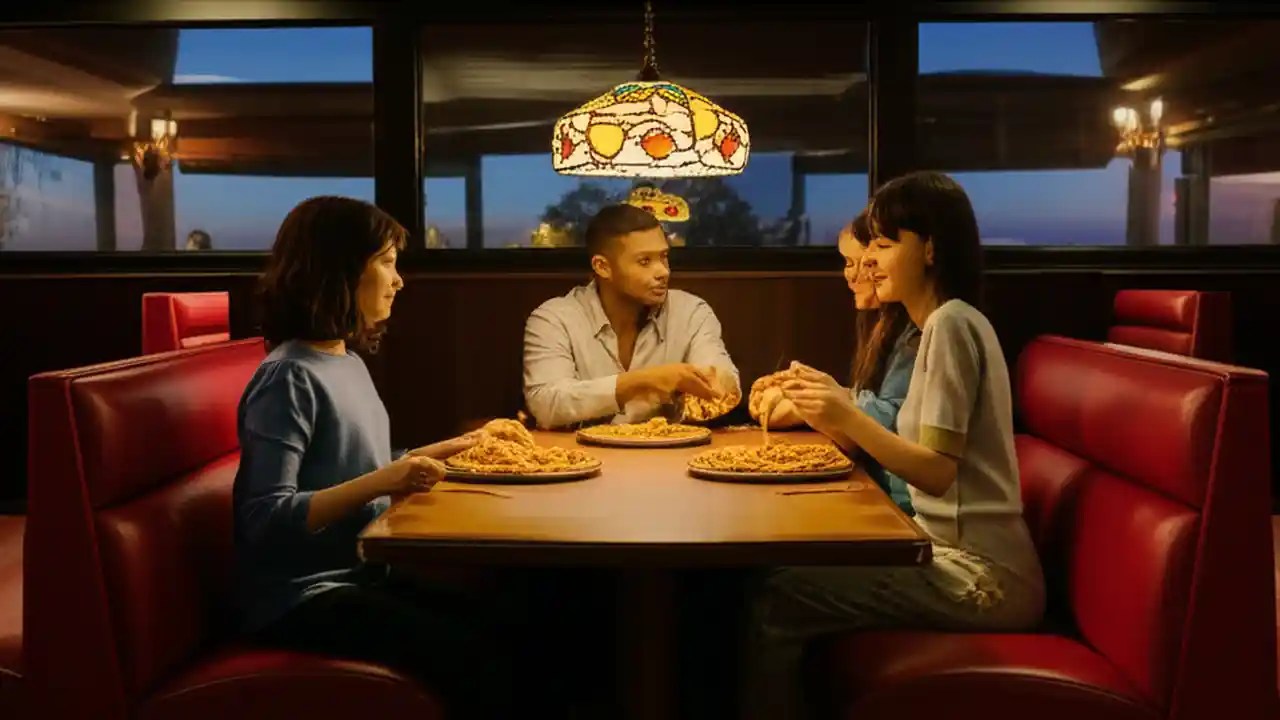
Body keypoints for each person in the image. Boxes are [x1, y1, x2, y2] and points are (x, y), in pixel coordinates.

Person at [745, 172, 1046, 719]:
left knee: (776, 595)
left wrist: (843, 412)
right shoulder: (937, 326)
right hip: (953, 556)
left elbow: (935, 473)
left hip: (984, 576)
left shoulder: (953, 324)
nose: (871, 261)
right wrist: (831, 403)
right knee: (780, 576)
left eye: (884, 245)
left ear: (929, 248)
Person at [232, 195, 512, 719]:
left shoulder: (345, 360)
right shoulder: (288, 375)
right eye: (386, 261)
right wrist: (391, 476)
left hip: (358, 574)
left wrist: (460, 447)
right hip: (299, 599)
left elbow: (366, 467)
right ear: (338, 270)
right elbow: (263, 517)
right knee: (474, 656)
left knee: (504, 617)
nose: (399, 279)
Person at [753, 209, 918, 515]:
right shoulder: (884, 328)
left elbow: (889, 425)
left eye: (871, 257)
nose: (854, 274)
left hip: (903, 506)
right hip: (882, 493)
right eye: (849, 263)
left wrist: (811, 402)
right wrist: (814, 397)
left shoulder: (922, 334)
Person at [523, 202, 740, 428]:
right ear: (602, 267)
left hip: (670, 457)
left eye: (664, 257)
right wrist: (644, 382)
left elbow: (723, 382)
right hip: (579, 459)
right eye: (644, 261)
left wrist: (715, 381)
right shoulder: (553, 319)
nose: (663, 271)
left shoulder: (691, 312)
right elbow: (546, 404)